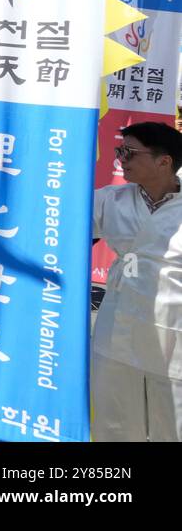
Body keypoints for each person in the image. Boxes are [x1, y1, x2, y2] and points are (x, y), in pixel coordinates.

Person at [91, 122, 182, 441]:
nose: (121, 159)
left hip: (173, 334)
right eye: (119, 151)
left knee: (171, 424)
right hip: (119, 326)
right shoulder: (110, 199)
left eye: (129, 152)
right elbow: (60, 225)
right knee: (113, 422)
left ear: (164, 161)